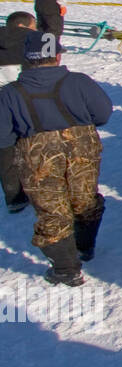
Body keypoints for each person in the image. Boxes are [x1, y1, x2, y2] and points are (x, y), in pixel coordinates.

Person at [0, 31, 112, 285]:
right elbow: (103, 113)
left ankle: (65, 267)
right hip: (82, 149)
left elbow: (3, 137)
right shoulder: (79, 82)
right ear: (58, 55)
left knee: (51, 209)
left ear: (27, 59)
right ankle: (85, 246)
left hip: (37, 154)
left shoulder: (10, 93)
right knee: (85, 199)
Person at [0, 12, 38, 212]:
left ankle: (14, 198)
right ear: (23, 26)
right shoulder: (31, 41)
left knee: (5, 149)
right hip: (25, 99)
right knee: (33, 143)